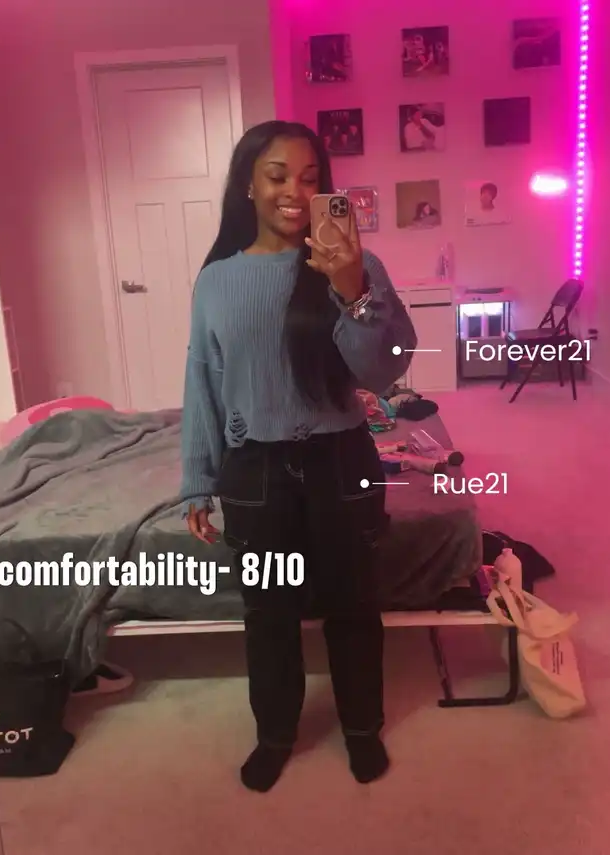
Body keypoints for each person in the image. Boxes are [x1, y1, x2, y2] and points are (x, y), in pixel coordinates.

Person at [180, 120, 417, 792]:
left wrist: (351, 289)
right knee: (269, 612)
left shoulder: (358, 265)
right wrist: (197, 479)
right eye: (278, 175)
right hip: (255, 472)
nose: (295, 191)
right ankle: (276, 733)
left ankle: (362, 727)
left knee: (352, 604)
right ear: (248, 185)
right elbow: (202, 379)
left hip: (340, 462)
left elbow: (385, 372)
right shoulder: (217, 282)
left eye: (311, 178)